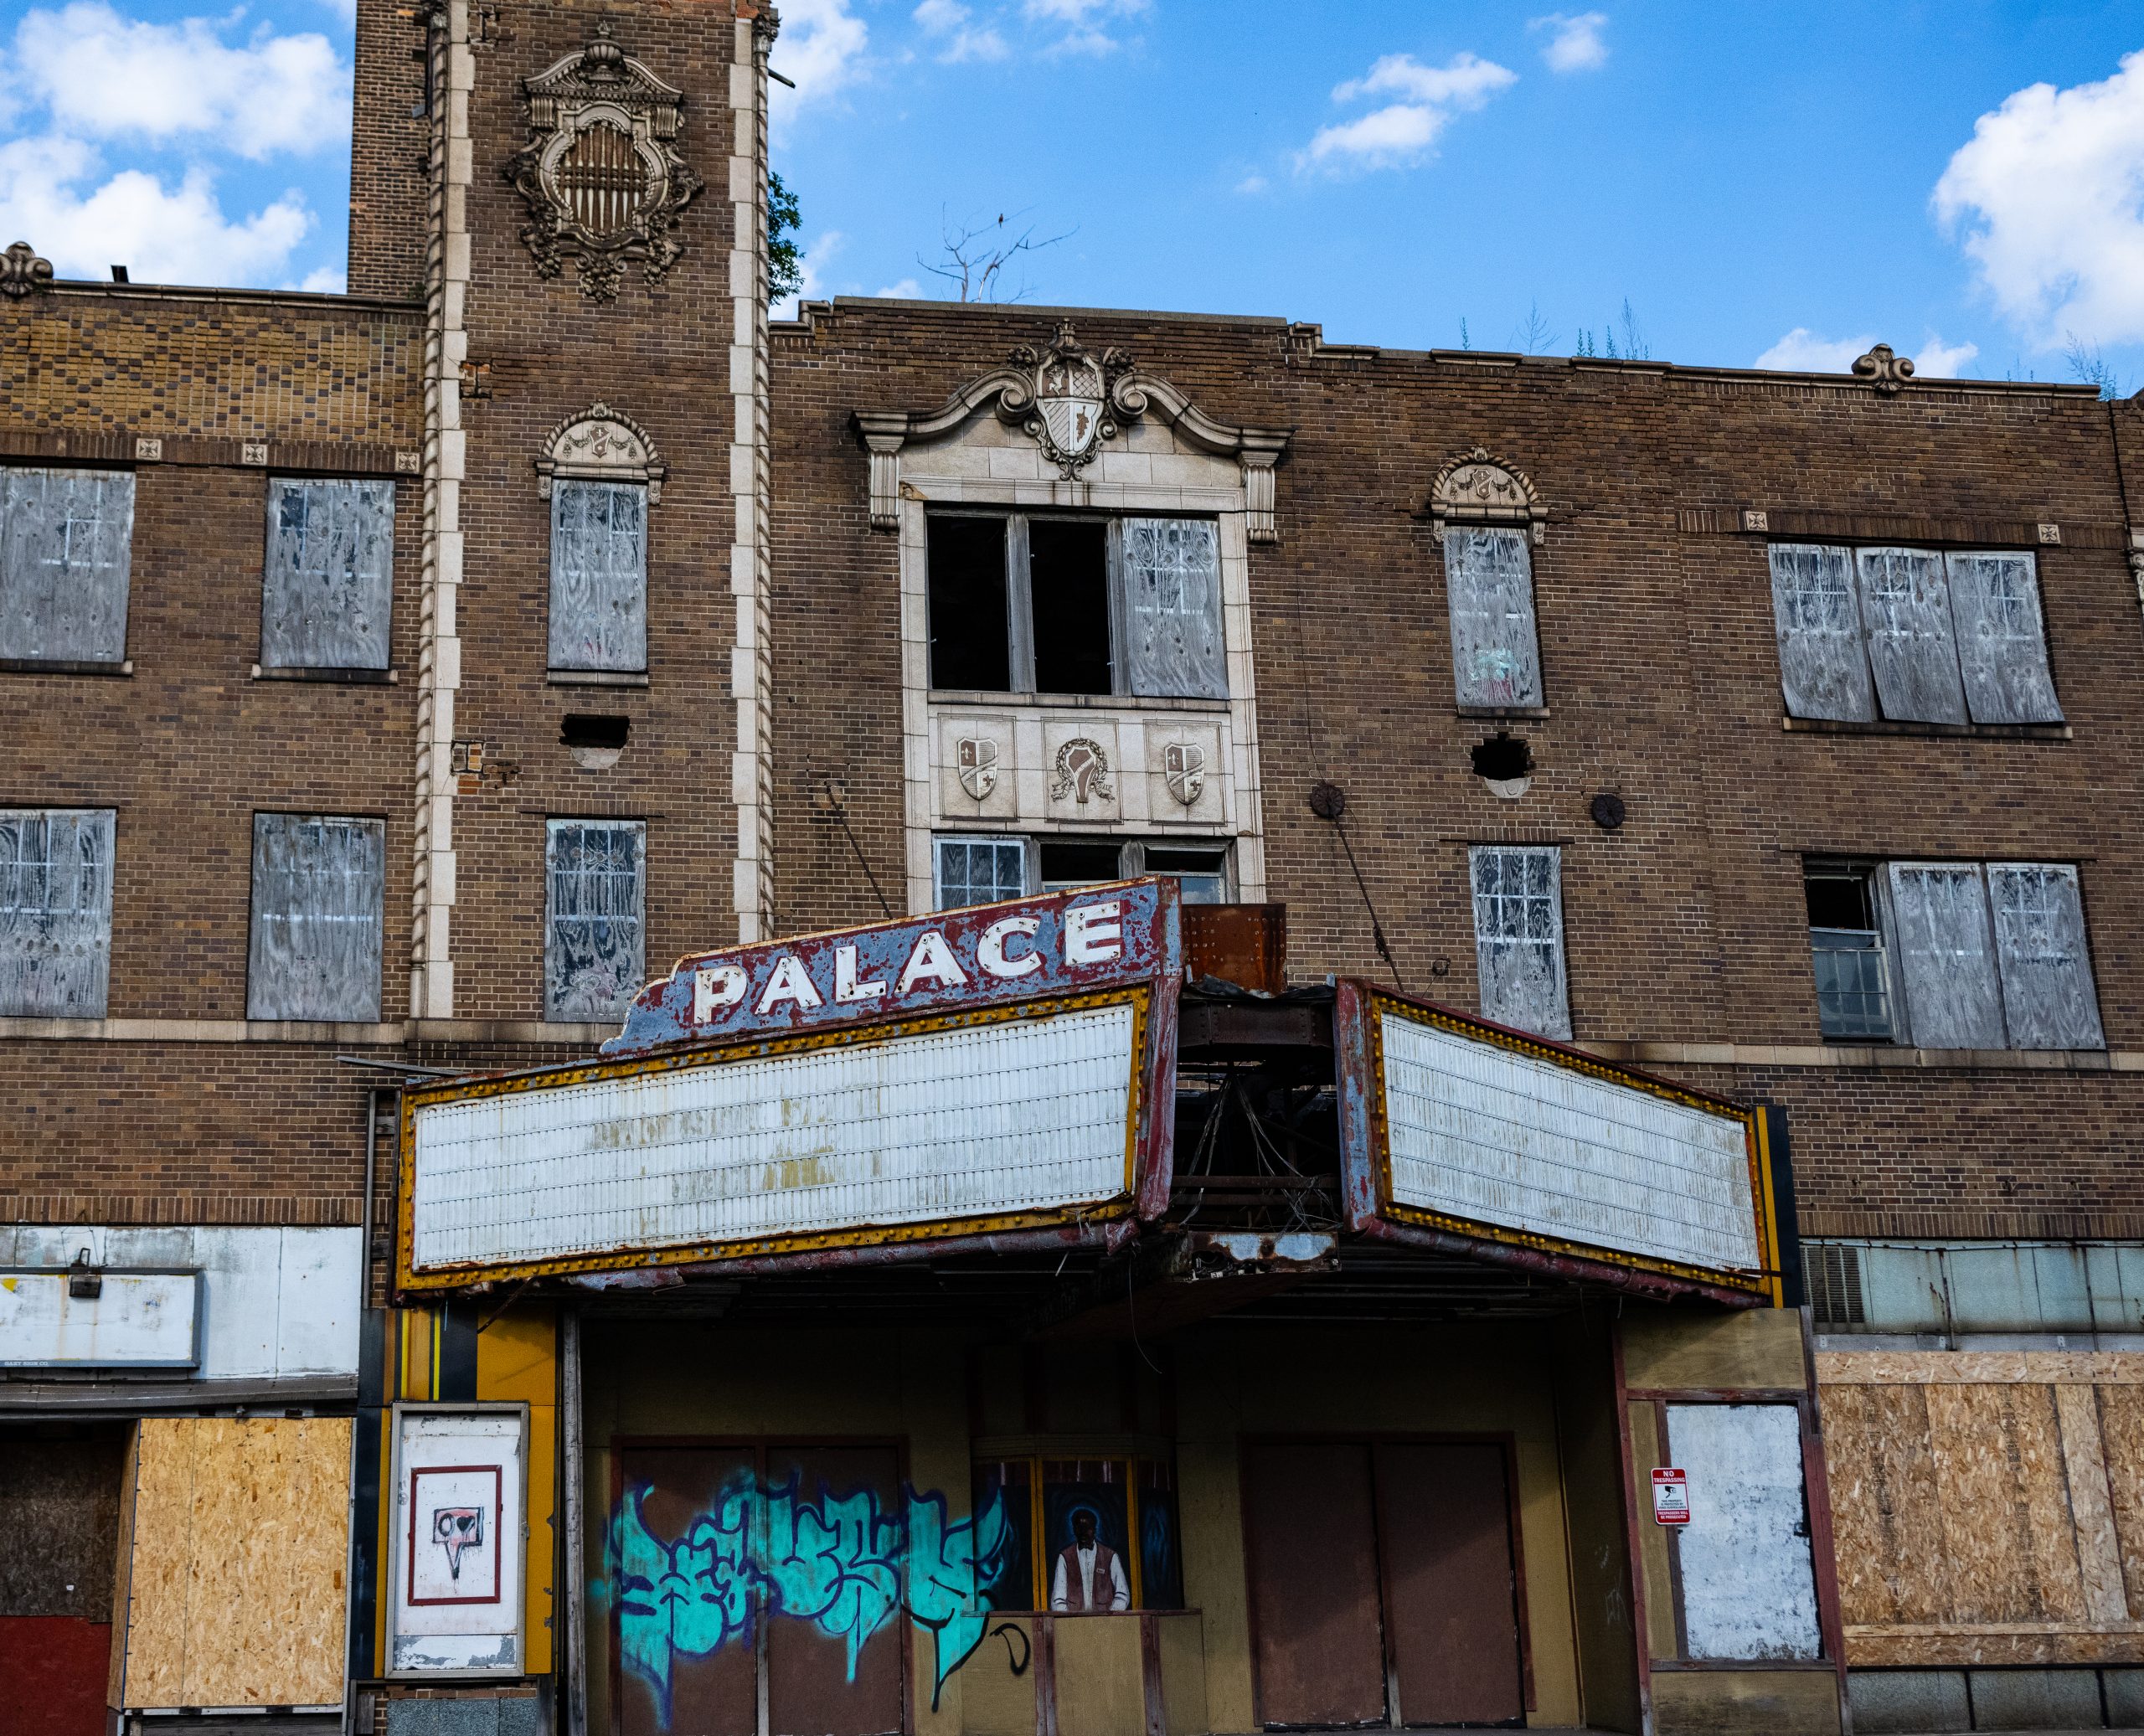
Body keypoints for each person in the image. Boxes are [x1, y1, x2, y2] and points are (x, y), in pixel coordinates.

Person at [1049, 1507, 1130, 1612]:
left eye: (1087, 1528)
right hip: (1074, 1625)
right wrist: (1071, 1622)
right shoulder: (1064, 1557)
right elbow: (1057, 1600)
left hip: (1105, 1624)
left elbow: (1123, 1595)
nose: (1083, 1532)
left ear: (1094, 1530)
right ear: (1074, 1530)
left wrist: (1108, 1618)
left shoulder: (1111, 1556)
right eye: (1079, 1528)